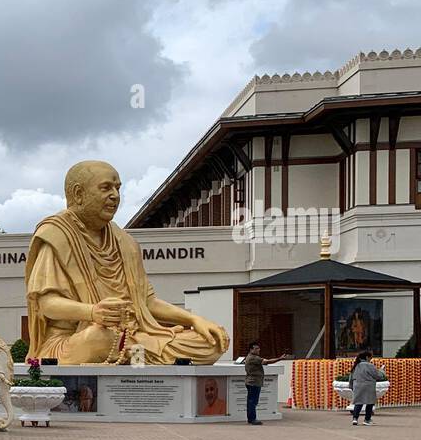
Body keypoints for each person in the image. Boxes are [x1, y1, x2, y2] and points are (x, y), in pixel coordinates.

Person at [25, 160, 229, 364]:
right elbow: (46, 304)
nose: (115, 195)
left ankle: (129, 353)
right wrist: (92, 312)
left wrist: (194, 319)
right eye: (106, 188)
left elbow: (146, 303)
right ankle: (131, 352)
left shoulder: (126, 243)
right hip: (76, 340)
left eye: (117, 188)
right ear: (78, 194)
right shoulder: (57, 236)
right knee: (100, 338)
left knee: (211, 342)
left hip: (132, 335)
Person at [242, 342, 290, 425]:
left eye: (258, 348)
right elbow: (267, 361)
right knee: (253, 402)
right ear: (251, 349)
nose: (258, 350)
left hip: (252, 382)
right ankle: (252, 419)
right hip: (254, 382)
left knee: (251, 401)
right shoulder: (253, 358)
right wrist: (280, 358)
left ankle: (251, 418)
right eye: (256, 348)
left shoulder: (250, 357)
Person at [348, 351, 387, 426]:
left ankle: (355, 419)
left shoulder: (356, 365)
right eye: (370, 358)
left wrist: (351, 386)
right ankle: (367, 419)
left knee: (358, 403)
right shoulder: (369, 365)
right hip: (368, 386)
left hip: (357, 385)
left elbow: (351, 377)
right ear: (367, 357)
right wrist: (382, 371)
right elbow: (377, 375)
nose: (371, 359)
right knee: (370, 403)